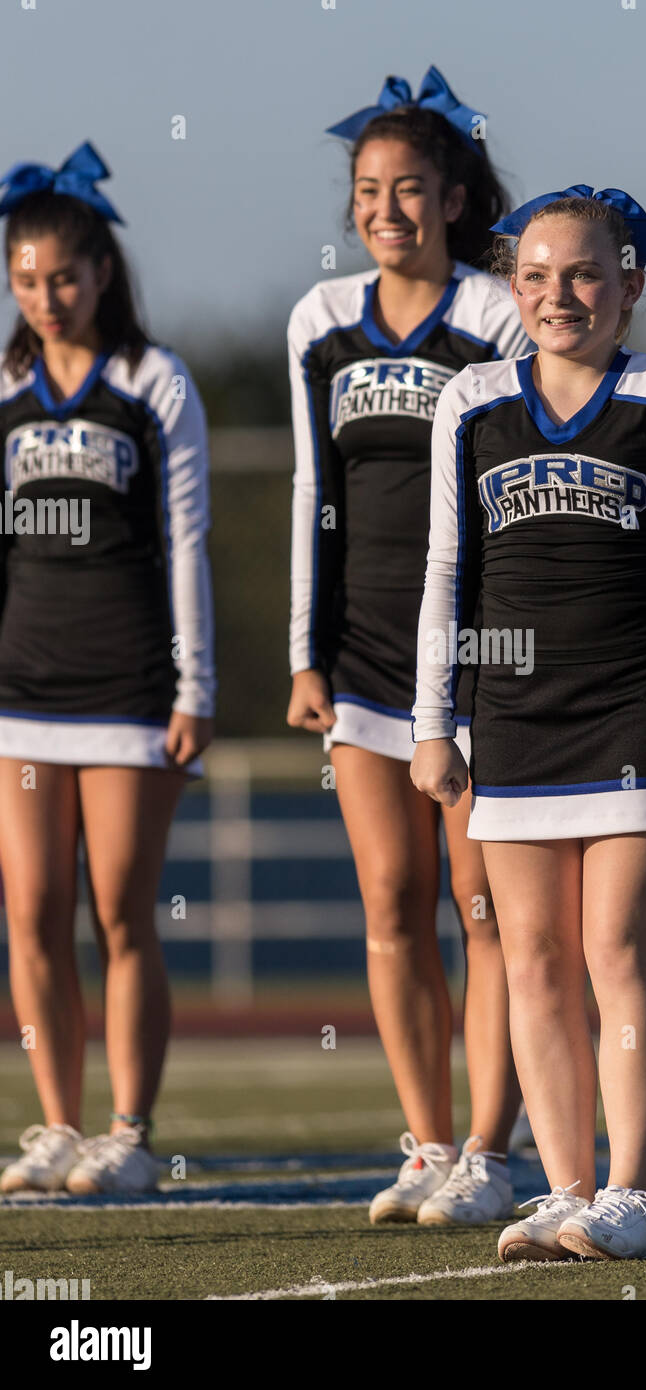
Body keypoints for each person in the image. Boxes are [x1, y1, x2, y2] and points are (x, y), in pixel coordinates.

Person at [411, 186, 646, 1260]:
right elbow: (450, 569)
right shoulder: (470, 400)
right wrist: (433, 721)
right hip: (512, 714)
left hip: (634, 701)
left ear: (630, 285)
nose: (563, 295)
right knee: (532, 956)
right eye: (540, 276)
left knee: (614, 948)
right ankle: (562, 1186)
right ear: (514, 287)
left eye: (587, 273)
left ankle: (631, 1192)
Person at [286, 68, 530, 1225]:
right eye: (368, 190)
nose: (387, 209)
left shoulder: (494, 314)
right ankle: (428, 1142)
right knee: (392, 901)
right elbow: (309, 489)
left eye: (412, 188)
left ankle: (491, 1148)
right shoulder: (318, 323)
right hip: (364, 653)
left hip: (477, 652)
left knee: (486, 911)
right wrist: (304, 653)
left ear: (456, 196)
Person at [0, 142, 215, 1195]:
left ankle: (129, 1132)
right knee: (32, 910)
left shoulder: (151, 379)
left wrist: (195, 687)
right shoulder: (3, 384)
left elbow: (185, 542)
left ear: (104, 273)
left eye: (66, 277)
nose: (48, 296)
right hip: (22, 695)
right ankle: (54, 1125)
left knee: (122, 912)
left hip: (130, 688)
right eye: (27, 279)